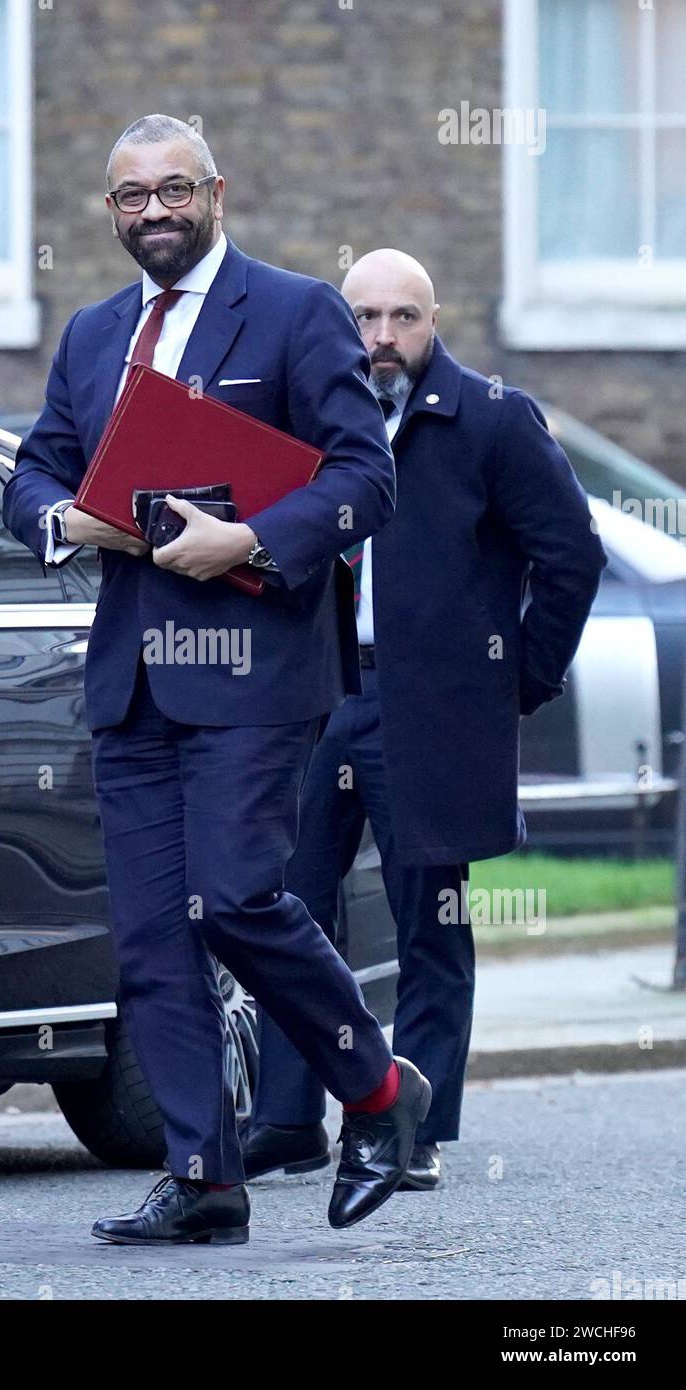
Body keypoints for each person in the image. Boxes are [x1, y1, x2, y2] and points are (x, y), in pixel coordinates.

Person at [3, 116, 432, 1244]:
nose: (154, 212)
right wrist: (57, 516)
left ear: (216, 192)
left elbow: (363, 478)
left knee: (235, 898)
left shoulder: (293, 311)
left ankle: (381, 1091)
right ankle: (204, 1174)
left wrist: (244, 543)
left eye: (175, 190)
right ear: (110, 210)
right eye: (132, 195)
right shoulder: (94, 336)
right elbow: (37, 464)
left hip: (253, 666)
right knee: (149, 940)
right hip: (132, 679)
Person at [244, 249, 608, 1191]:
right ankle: (286, 1117)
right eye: (363, 318)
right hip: (320, 699)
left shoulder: (488, 417)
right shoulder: (313, 413)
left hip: (433, 708)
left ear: (433, 320)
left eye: (403, 317)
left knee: (429, 924)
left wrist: (517, 682)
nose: (381, 339)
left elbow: (570, 555)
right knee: (283, 906)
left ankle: (420, 1128)